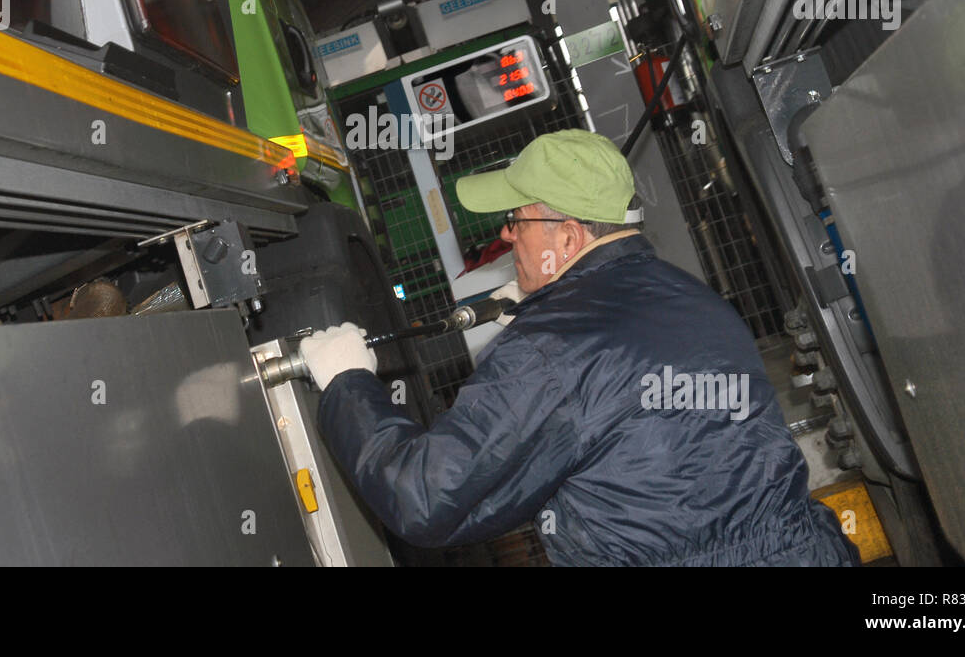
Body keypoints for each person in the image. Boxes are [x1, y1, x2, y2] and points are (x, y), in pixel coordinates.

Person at [302, 129, 859, 566]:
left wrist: (348, 383)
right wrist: (552, 301)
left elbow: (424, 497)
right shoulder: (695, 299)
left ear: (567, 237)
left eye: (517, 221)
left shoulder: (548, 350)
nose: (507, 237)